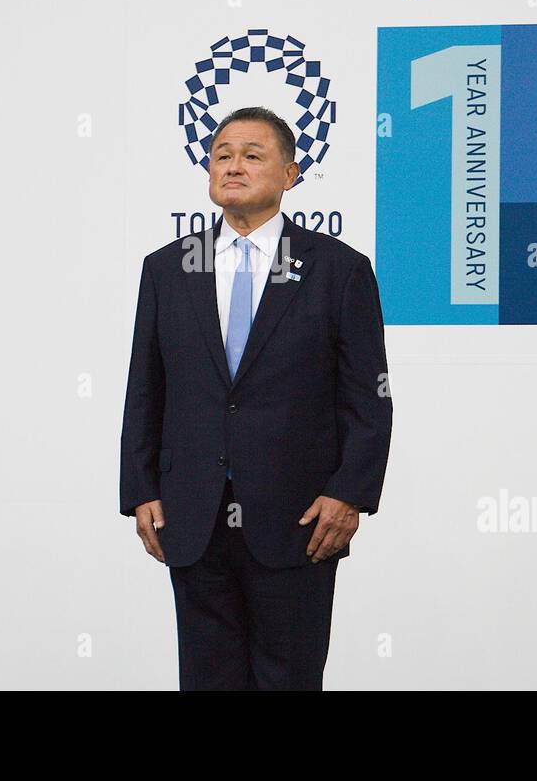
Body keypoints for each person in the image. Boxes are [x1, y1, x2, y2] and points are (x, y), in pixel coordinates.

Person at [120, 106, 393, 690]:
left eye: (252, 154)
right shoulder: (168, 268)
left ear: (292, 175)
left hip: (298, 518)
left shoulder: (339, 270)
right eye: (222, 155)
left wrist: (349, 494)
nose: (233, 166)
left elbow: (369, 399)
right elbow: (145, 388)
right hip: (193, 515)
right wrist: (140, 489)